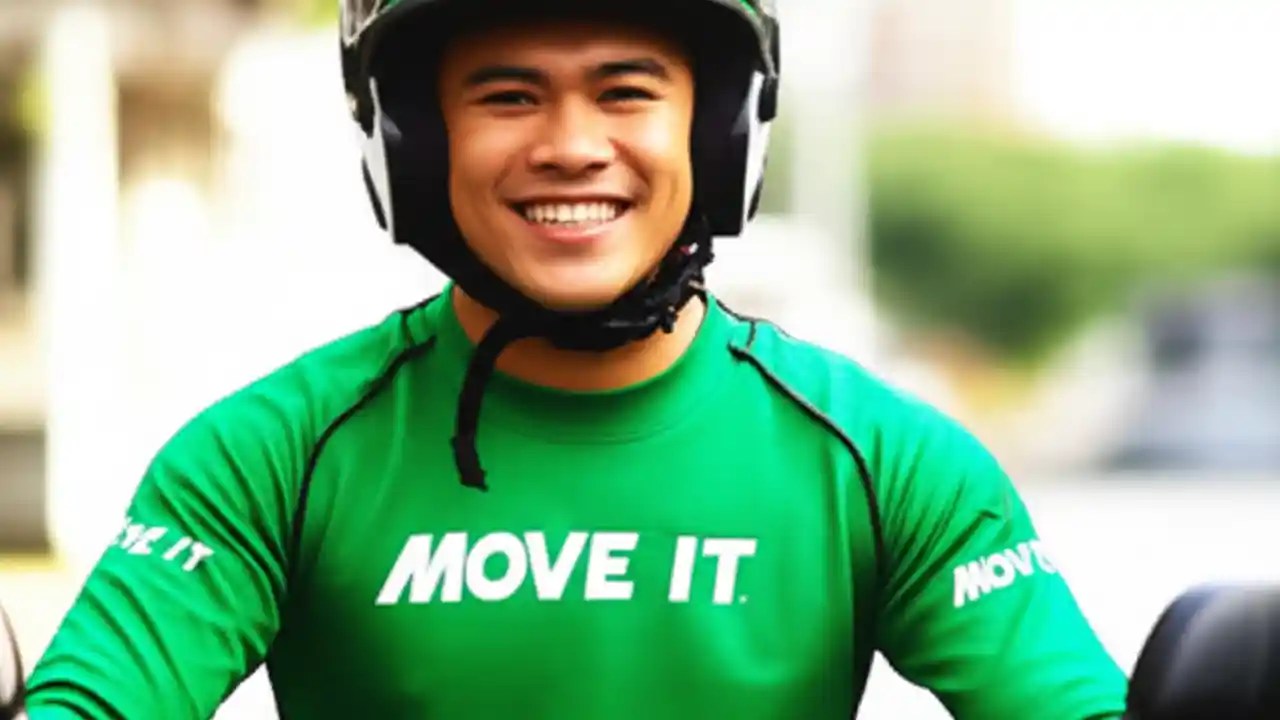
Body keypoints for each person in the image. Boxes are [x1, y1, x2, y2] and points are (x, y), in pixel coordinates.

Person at [19, 0, 1128, 717]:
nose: (569, 145)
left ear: (717, 130)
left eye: (625, 90)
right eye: (506, 95)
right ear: (411, 137)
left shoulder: (882, 459)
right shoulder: (270, 455)